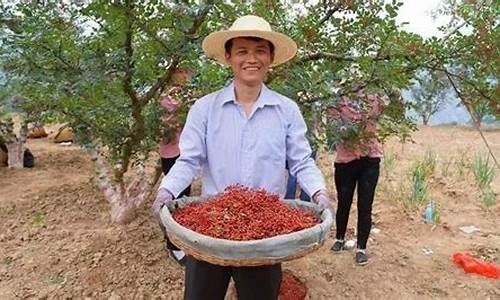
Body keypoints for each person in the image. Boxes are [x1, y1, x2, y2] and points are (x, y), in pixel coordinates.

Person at [151, 15, 332, 300]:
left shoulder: (286, 110)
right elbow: (189, 160)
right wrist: (166, 191)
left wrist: (320, 193)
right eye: (242, 51)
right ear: (228, 57)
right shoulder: (205, 108)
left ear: (270, 57)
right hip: (210, 230)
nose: (252, 59)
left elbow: (301, 161)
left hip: (265, 236)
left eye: (260, 50)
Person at [328, 88, 384, 266]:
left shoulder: (376, 98)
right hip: (345, 160)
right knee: (343, 202)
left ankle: (361, 248)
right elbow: (334, 130)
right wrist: (349, 128)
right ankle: (339, 238)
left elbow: (393, 109)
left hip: (370, 159)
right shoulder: (336, 101)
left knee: (365, 205)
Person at [157, 69, 192, 266]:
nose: (186, 78)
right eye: (183, 74)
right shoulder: (168, 97)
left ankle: (179, 237)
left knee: (183, 198)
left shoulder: (180, 94)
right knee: (174, 199)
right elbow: (170, 123)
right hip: (171, 154)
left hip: (183, 153)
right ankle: (173, 245)